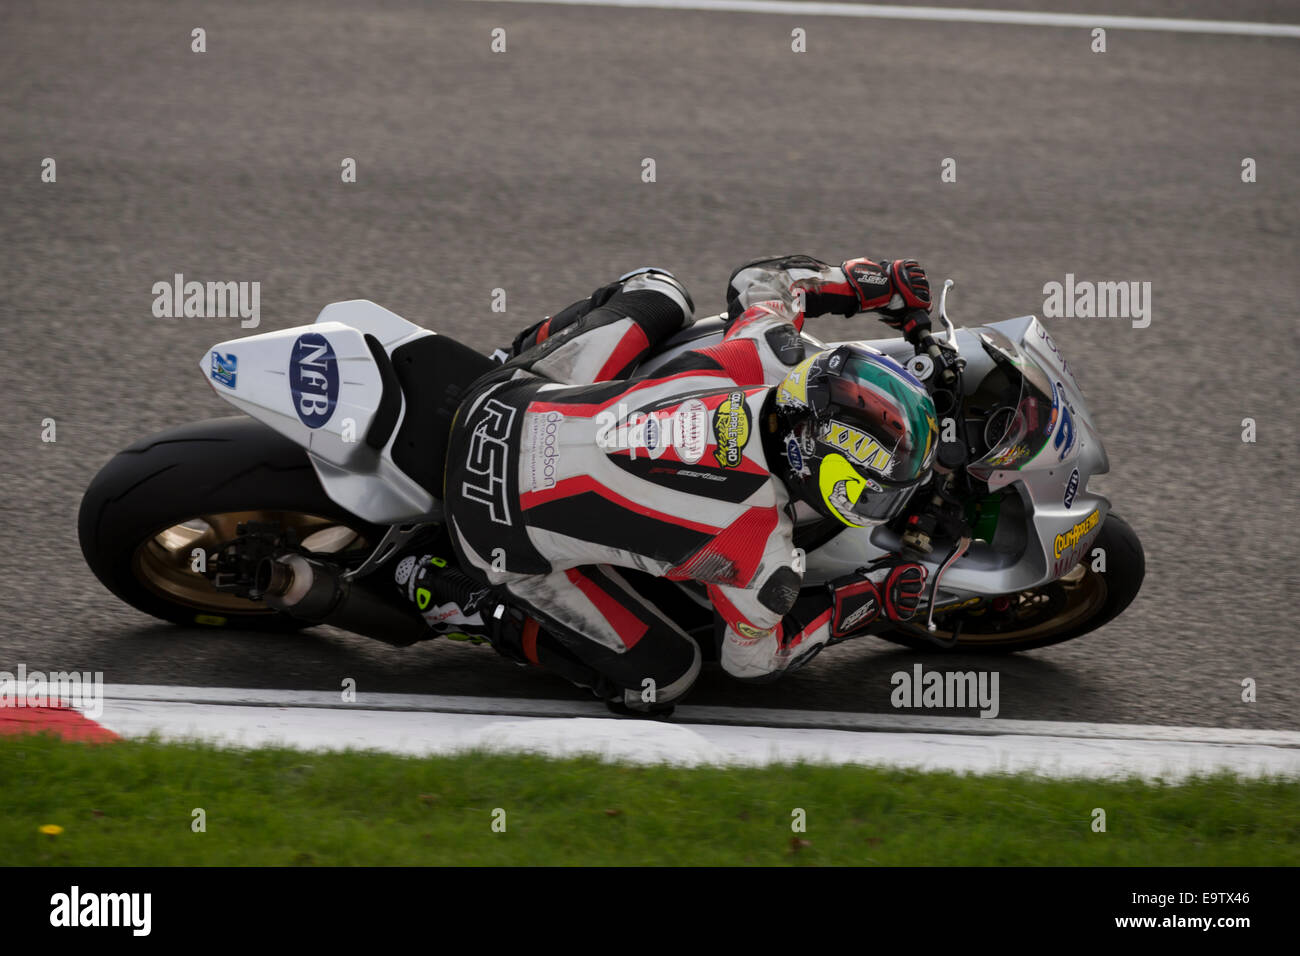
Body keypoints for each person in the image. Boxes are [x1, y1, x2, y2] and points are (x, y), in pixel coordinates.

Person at [403, 255, 940, 715]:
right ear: (830, 477)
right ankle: (467, 605)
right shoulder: (759, 557)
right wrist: (872, 599)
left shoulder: (760, 349)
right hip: (493, 533)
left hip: (497, 400)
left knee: (658, 290)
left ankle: (509, 352)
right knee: (660, 680)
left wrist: (868, 283)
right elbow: (751, 661)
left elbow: (760, 279)